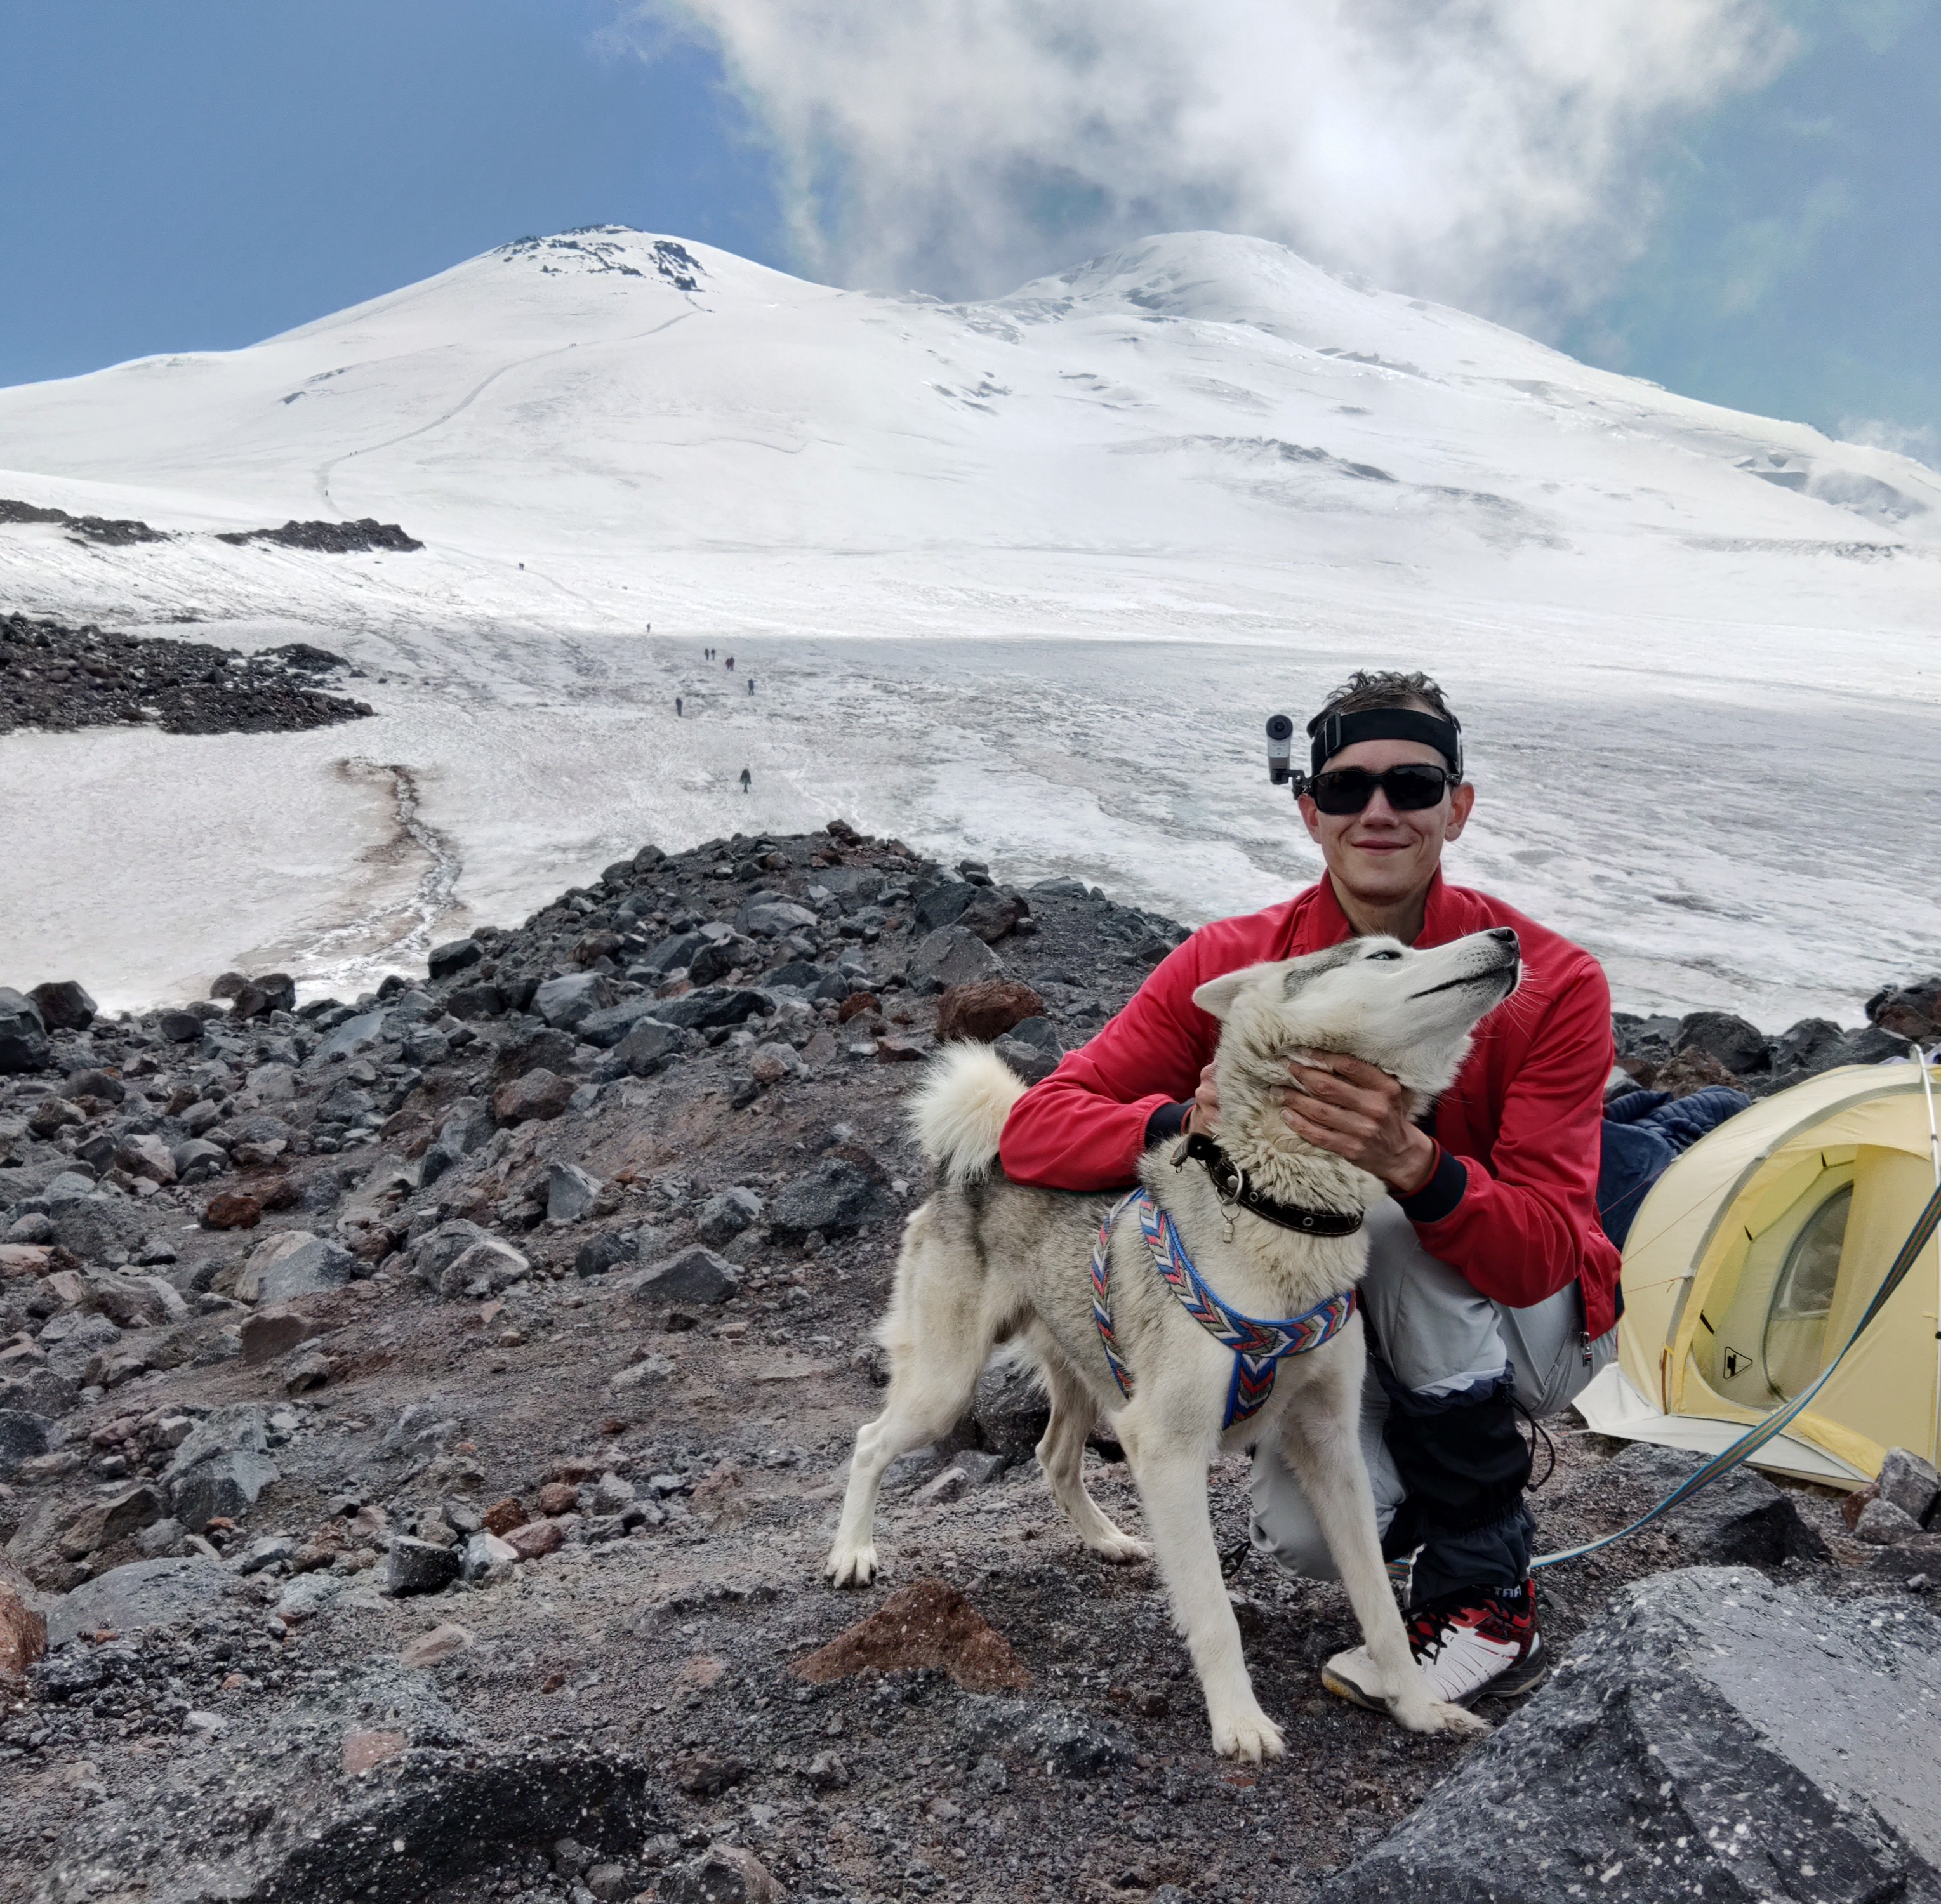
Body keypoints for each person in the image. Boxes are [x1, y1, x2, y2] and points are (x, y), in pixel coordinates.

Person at [998, 670, 1619, 1708]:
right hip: (1322, 1316)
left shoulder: (1546, 982)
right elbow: (1034, 1129)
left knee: (1386, 1207)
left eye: (1413, 786)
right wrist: (1174, 1120)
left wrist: (1418, 1167)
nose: (1378, 812)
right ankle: (1411, 1485)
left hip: (1523, 1323)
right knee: (1304, 1537)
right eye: (1346, 789)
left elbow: (1545, 1251)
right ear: (1308, 812)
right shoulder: (1235, 969)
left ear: (1457, 808)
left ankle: (1482, 1585)